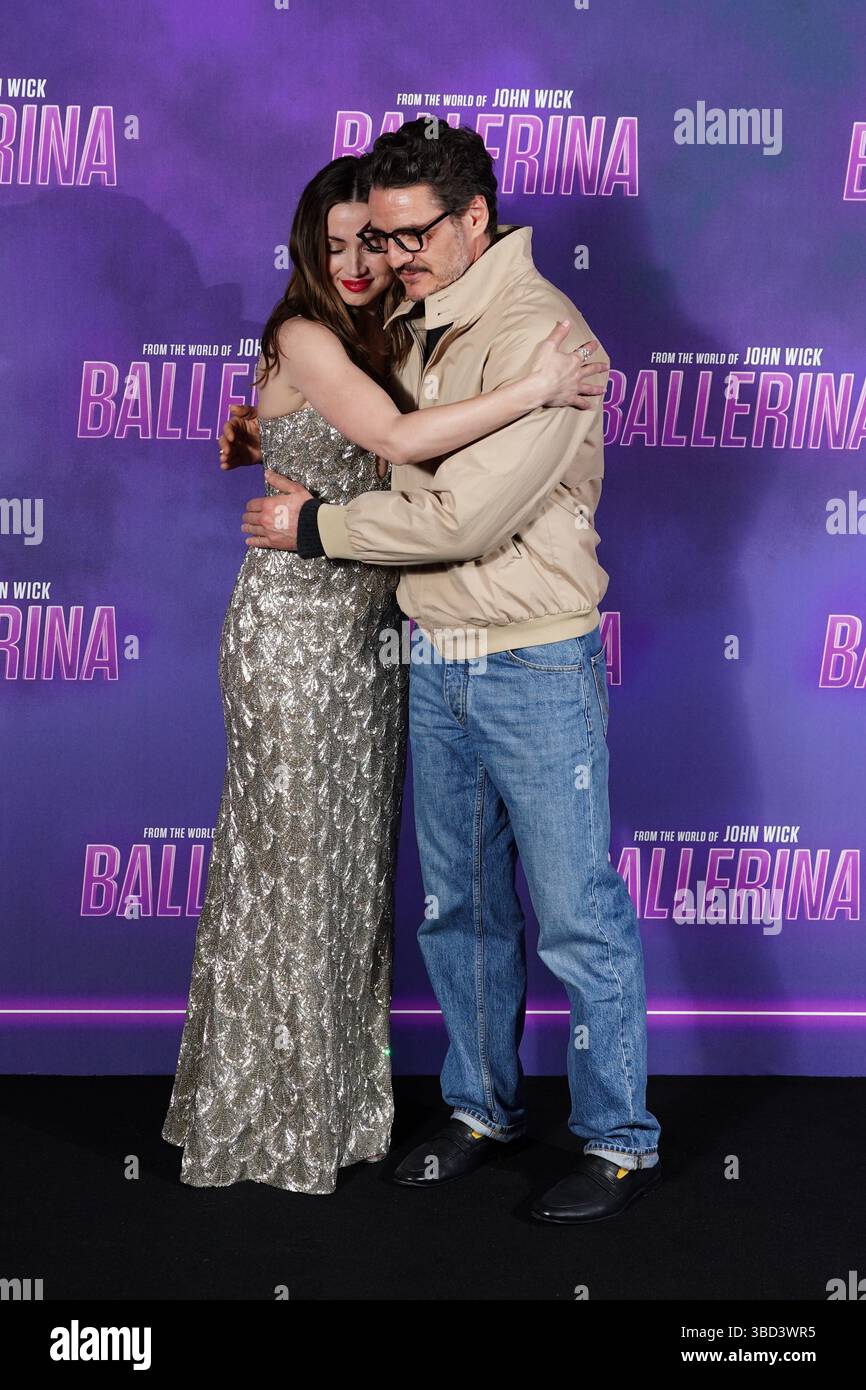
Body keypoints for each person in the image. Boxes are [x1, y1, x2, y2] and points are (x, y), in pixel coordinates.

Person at [238, 119, 662, 1222]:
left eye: (408, 235)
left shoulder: (542, 337)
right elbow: (323, 407)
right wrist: (255, 429)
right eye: (375, 237)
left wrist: (320, 526)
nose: (387, 258)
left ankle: (615, 1134)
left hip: (530, 657)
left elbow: (460, 513)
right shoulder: (415, 321)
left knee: (574, 912)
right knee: (459, 909)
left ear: (475, 219)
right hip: (433, 651)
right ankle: (478, 1108)